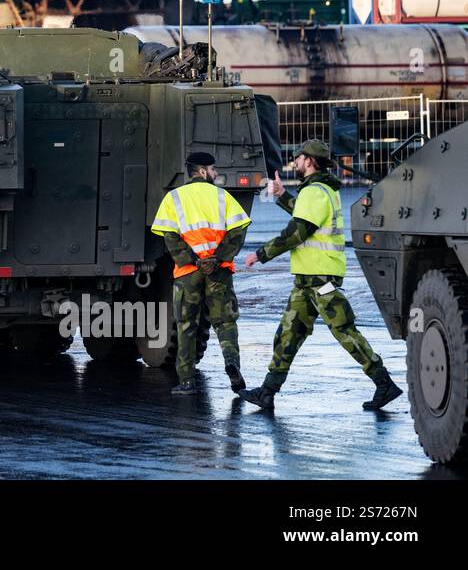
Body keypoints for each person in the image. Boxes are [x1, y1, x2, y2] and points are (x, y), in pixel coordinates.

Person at [239, 140, 402, 410]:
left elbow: (298, 231)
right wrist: (281, 196)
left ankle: (383, 383)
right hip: (307, 278)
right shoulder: (318, 190)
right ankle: (267, 392)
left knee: (343, 330)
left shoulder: (315, 192)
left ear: (309, 160)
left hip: (320, 277)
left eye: (299, 157)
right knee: (288, 334)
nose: (296, 161)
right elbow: (305, 216)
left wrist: (261, 254)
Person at [151, 151, 251, 396]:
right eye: (213, 169)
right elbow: (237, 233)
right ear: (204, 171)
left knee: (186, 326)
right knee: (225, 322)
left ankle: (186, 381)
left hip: (188, 273)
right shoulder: (223, 197)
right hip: (219, 272)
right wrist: (216, 259)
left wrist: (195, 260)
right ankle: (232, 364)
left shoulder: (173, 198)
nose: (216, 173)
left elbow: (170, 237)